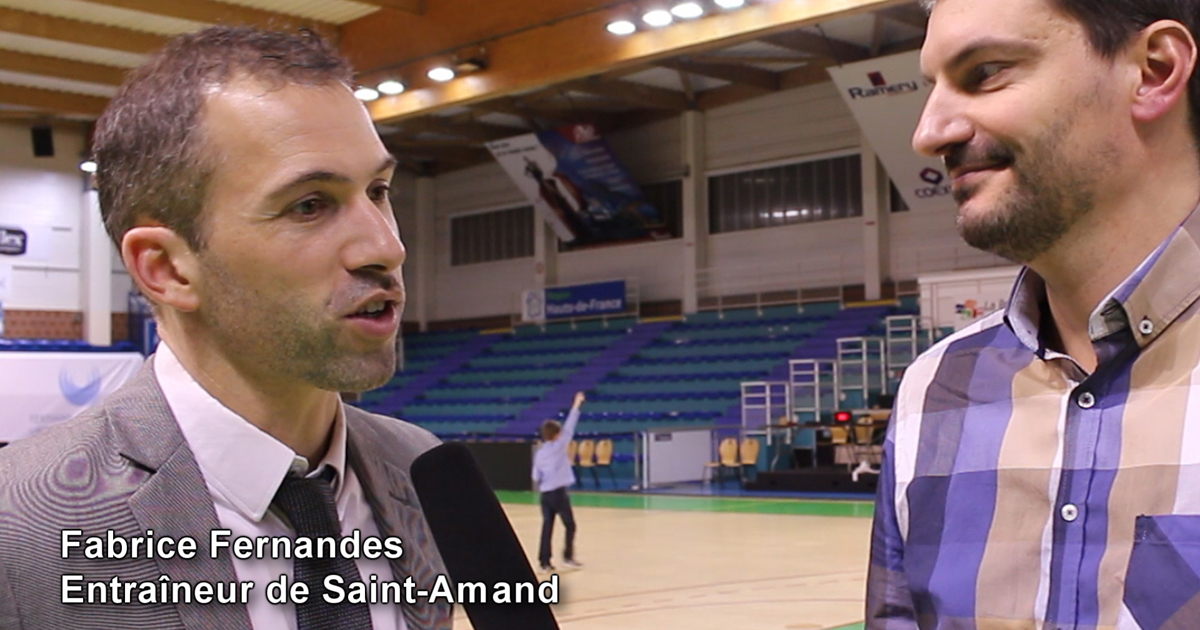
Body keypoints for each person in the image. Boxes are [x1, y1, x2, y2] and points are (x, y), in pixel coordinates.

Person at [0, 27, 453, 629]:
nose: (387, 246)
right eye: (310, 205)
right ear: (167, 269)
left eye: (379, 190)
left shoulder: (424, 472)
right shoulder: (19, 523)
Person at [867, 0, 1200, 628]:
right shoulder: (935, 389)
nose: (928, 133)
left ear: (1154, 71)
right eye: (931, 86)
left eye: (985, 72)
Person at [532, 391, 586, 572]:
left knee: (547, 527)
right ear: (555, 435)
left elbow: (535, 476)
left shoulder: (540, 452)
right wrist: (576, 404)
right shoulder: (559, 446)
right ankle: (568, 556)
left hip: (545, 494)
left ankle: (544, 562)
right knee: (570, 525)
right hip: (559, 493)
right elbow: (570, 425)